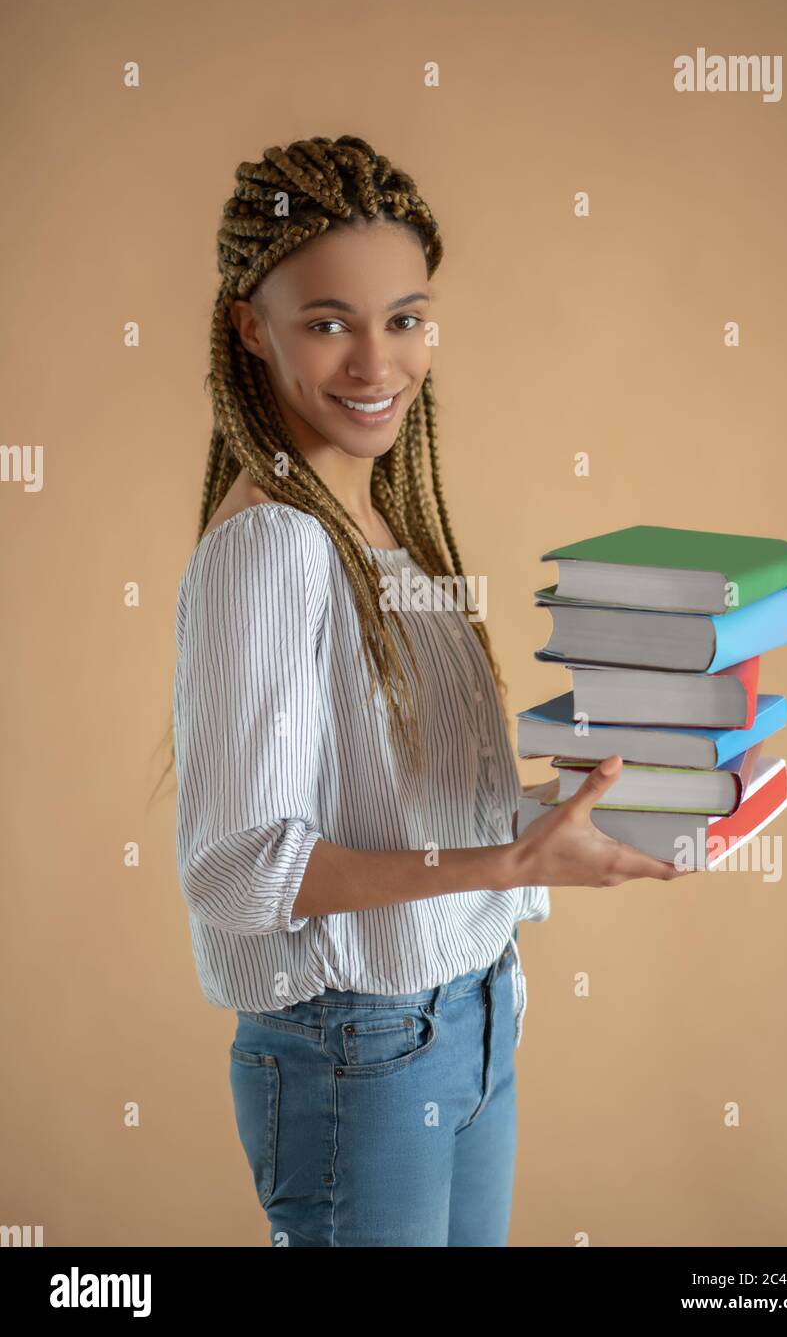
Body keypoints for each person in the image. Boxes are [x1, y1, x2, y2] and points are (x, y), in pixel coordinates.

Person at [170, 134, 681, 1248]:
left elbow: (390, 801)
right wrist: (513, 860)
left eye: (402, 318)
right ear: (250, 325)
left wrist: (547, 810)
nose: (374, 363)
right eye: (326, 322)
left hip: (469, 1010)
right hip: (360, 1048)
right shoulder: (271, 546)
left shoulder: (378, 531)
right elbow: (235, 868)